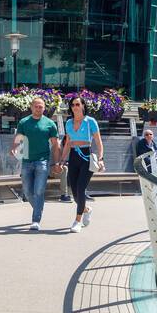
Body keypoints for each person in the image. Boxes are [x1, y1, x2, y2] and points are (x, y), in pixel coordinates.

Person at [9, 95, 60, 230]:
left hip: (42, 161)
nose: (38, 109)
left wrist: (56, 162)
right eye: (36, 106)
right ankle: (39, 207)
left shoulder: (50, 124)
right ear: (31, 107)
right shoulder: (24, 122)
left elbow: (55, 145)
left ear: (44, 108)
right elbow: (19, 138)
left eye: (41, 107)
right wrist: (13, 148)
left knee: (39, 190)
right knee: (27, 191)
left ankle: (36, 219)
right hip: (26, 161)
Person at [58, 96, 104, 233]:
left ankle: (77, 221)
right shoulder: (68, 123)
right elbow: (67, 143)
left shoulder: (90, 122)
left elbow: (98, 141)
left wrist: (101, 158)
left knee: (80, 188)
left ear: (83, 106)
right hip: (73, 156)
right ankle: (86, 209)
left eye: (78, 104)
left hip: (86, 156)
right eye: (73, 105)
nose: (75, 107)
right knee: (74, 190)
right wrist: (62, 159)